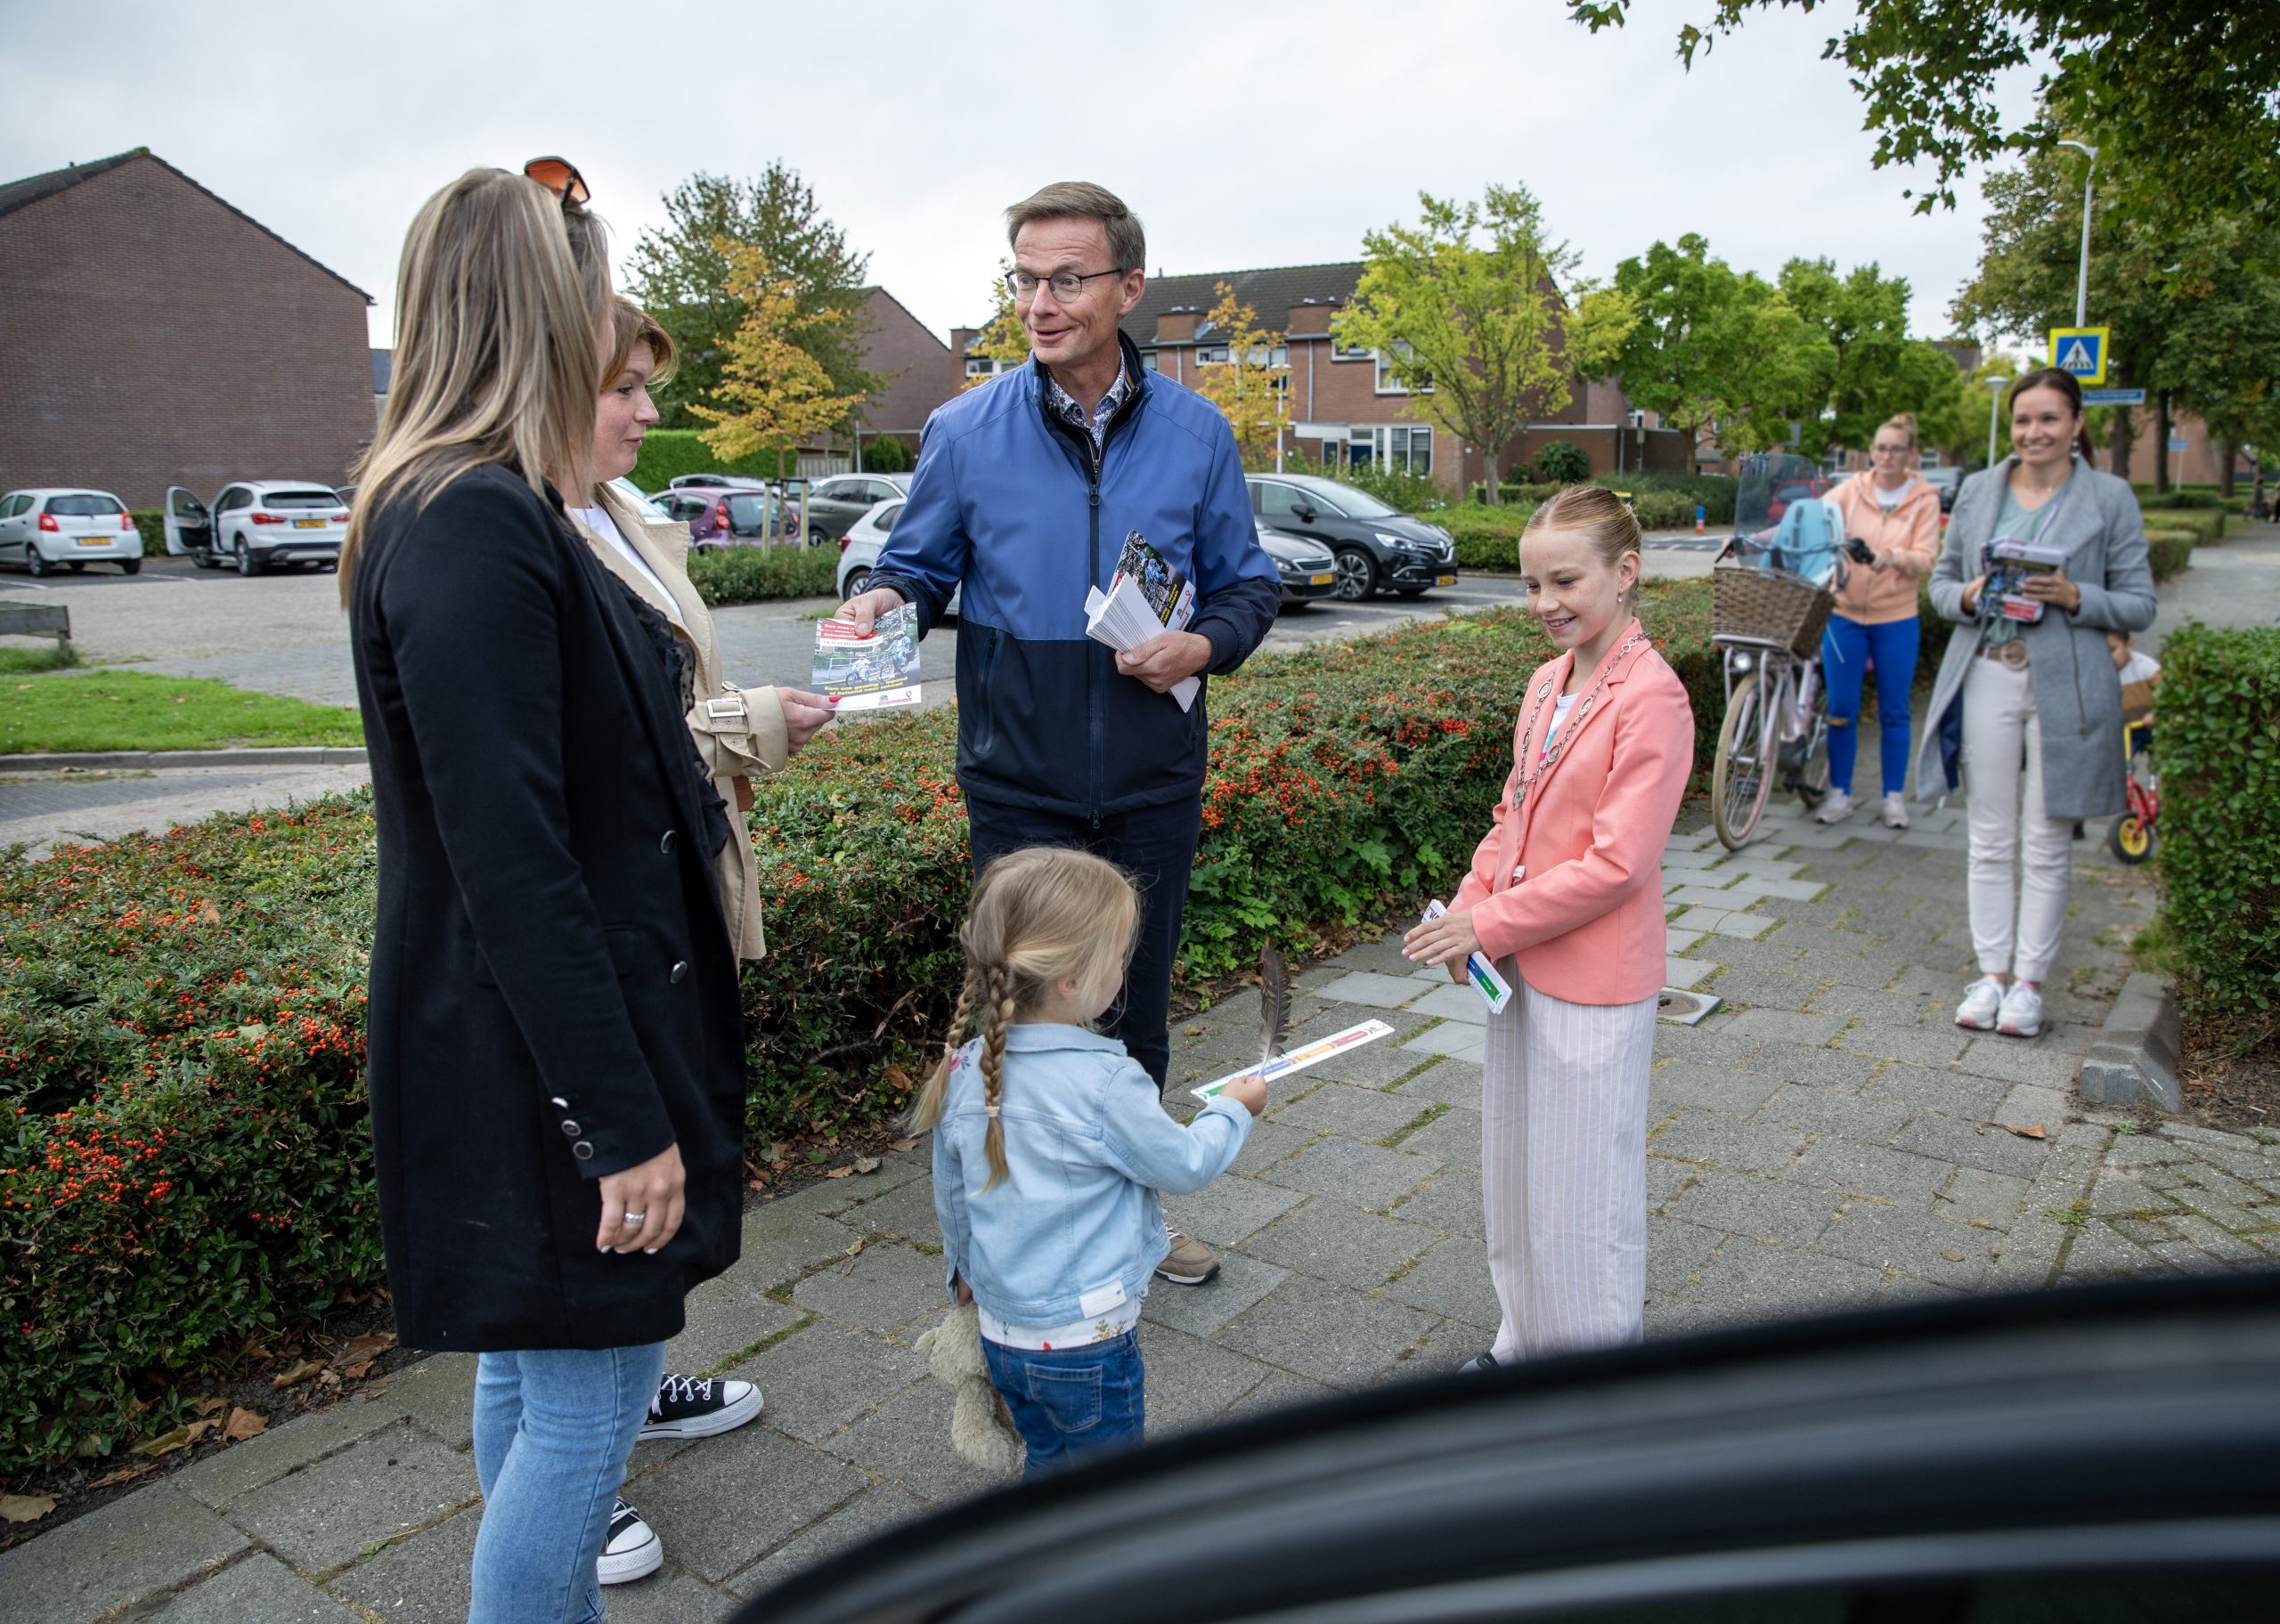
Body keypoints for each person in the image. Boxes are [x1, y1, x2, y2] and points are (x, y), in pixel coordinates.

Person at [343, 165, 749, 1623]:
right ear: (537, 306)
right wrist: (619, 1119)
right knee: (586, 1419)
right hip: (550, 1069)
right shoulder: (472, 523)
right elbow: (512, 860)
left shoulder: (476, 505)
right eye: (589, 291)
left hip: (535, 1053)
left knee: (536, 1371)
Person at [837, 182, 1282, 1288]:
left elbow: (1249, 587)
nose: (1040, 302)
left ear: (1128, 288)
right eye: (1025, 279)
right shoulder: (962, 428)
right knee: (1011, 1014)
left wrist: (1203, 646)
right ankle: (996, 1226)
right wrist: (887, 604)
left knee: (1132, 1009)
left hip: (1149, 778)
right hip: (1019, 785)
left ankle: (1133, 1222)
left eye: (1067, 279)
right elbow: (920, 565)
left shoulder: (1197, 433)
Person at [561, 288, 839, 1584]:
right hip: (617, 919)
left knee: (651, 1215)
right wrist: (753, 729)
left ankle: (636, 1381)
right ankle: (586, 1466)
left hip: (671, 889)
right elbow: (593, 776)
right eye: (625, 389)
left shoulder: (611, 517)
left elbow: (661, 721)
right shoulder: (514, 540)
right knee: (602, 1217)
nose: (650, 412)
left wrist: (754, 720)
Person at [1403, 486, 1694, 1367]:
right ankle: (1520, 1347)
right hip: (1522, 967)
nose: (1544, 604)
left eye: (1564, 581)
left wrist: (1487, 923)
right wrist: (1465, 908)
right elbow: (1513, 815)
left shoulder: (1654, 698)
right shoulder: (1545, 682)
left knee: (1586, 1198)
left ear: (1626, 572)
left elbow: (1616, 864)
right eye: (1531, 586)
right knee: (1519, 1179)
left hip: (1593, 979)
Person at [909, 847, 1266, 1477]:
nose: (1124, 970)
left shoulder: (965, 1069)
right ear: (1071, 980)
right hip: (1087, 1343)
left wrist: (962, 1279)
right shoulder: (1105, 1081)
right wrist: (1232, 1111)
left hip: (1004, 1335)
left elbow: (953, 1199)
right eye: (1118, 956)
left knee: (1046, 1454)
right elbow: (1183, 1165)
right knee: (1108, 1490)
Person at [1911, 367, 2156, 1039]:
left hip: (2068, 682)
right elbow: (1940, 584)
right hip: (1988, 667)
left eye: (2049, 419)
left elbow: (2140, 601)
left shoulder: (2109, 498)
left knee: (2047, 839)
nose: (2034, 432)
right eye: (2023, 421)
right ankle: (1990, 974)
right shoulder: (1983, 488)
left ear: (2076, 423)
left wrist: (2078, 598)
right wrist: (1968, 593)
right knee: (1989, 836)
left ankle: (2028, 984)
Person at [1814, 413, 1942, 829]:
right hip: (1845, 614)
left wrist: (1893, 557)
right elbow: (1812, 521)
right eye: (1881, 448)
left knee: (1895, 711)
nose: (1888, 455)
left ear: (1912, 454)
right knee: (1841, 709)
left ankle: (1893, 798)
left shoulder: (1924, 498)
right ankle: (1840, 793)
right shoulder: (1851, 491)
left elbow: (1927, 557)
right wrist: (1760, 537)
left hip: (1896, 618)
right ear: (1871, 452)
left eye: (1897, 448)